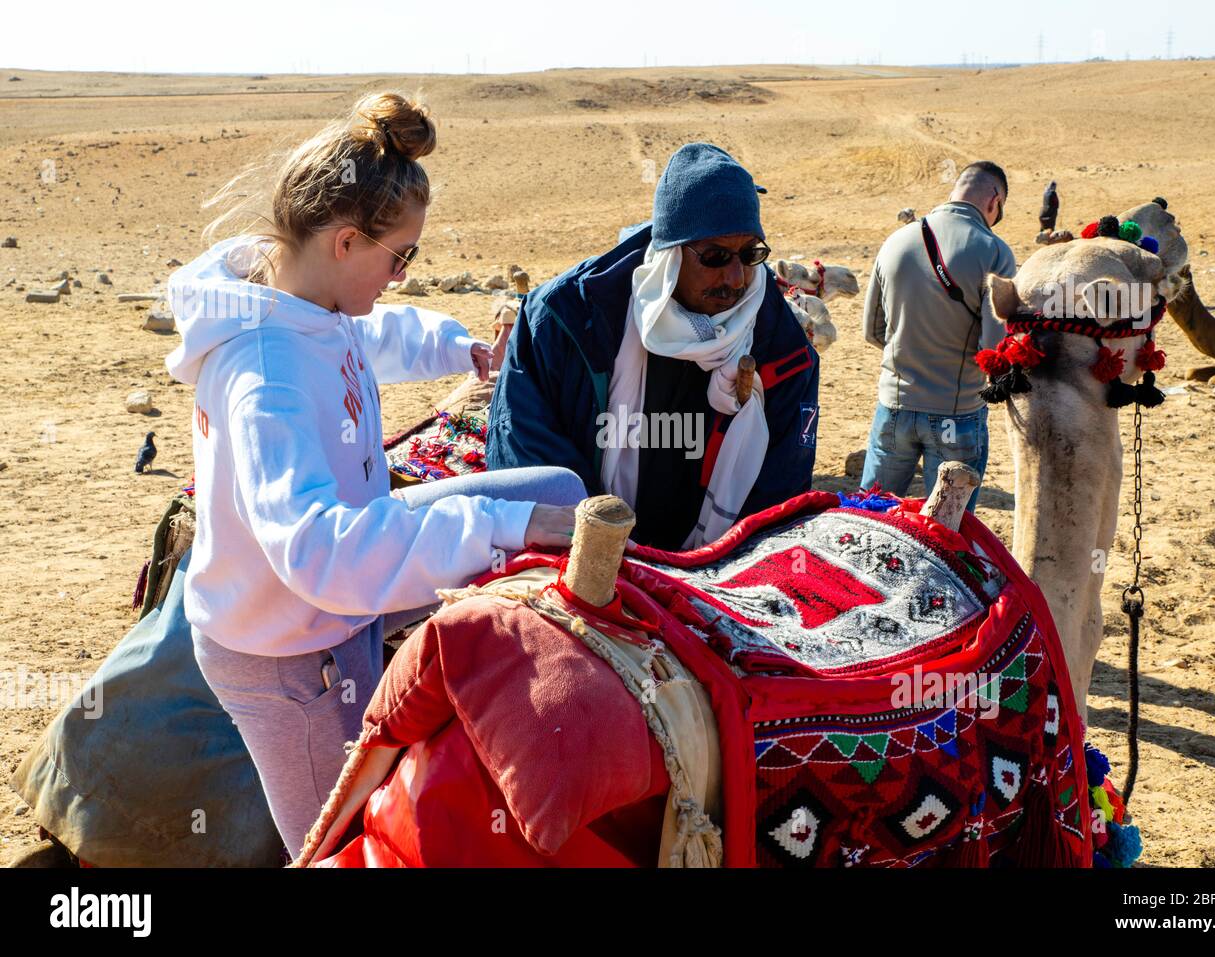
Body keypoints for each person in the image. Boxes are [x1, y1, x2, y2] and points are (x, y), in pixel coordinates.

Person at [164, 91, 585, 856]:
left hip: (329, 606)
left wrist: (459, 349)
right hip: (288, 646)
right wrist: (497, 531)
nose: (400, 277)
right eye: (401, 257)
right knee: (340, 843)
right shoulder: (266, 376)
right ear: (348, 242)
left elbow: (370, 336)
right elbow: (319, 554)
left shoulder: (307, 302)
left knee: (557, 494)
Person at [488, 143, 820, 550]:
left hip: (718, 570)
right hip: (588, 554)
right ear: (670, 255)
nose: (736, 278)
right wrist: (600, 548)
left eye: (751, 254)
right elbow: (528, 451)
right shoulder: (566, 317)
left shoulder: (780, 344)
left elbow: (783, 486)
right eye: (715, 255)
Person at [861, 160, 1017, 511]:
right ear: (994, 198)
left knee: (869, 518)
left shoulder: (895, 241)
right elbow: (992, 350)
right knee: (946, 531)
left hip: (894, 406)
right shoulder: (994, 251)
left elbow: (873, 332)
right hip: (956, 413)